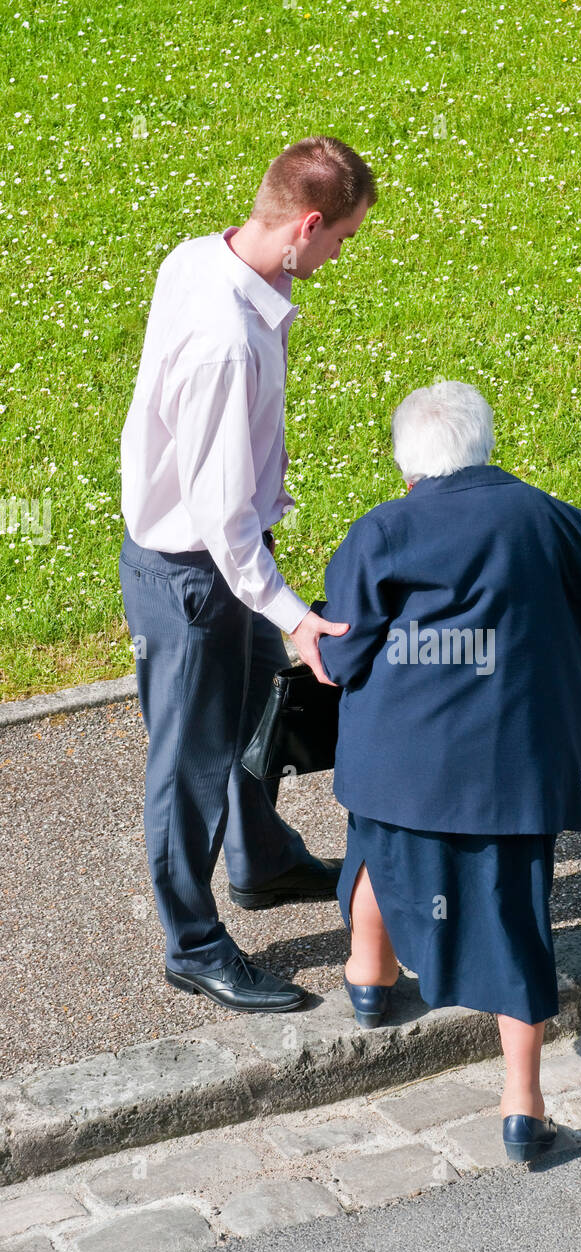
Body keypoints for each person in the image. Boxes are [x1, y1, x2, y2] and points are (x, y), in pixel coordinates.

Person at [313, 380, 581, 1162]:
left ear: (407, 465)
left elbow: (338, 653)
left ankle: (369, 985)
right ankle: (523, 1107)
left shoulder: (381, 530)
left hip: (398, 761)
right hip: (516, 761)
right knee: (511, 916)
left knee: (376, 843)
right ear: (485, 444)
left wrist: (301, 646)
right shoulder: (549, 516)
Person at [118, 136, 375, 1013]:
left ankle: (261, 861)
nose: (340, 255)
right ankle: (191, 945)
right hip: (194, 577)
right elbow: (224, 521)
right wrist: (296, 616)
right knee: (189, 765)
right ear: (305, 225)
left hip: (207, 564)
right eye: (341, 237)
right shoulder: (230, 343)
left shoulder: (201, 256)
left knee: (256, 709)